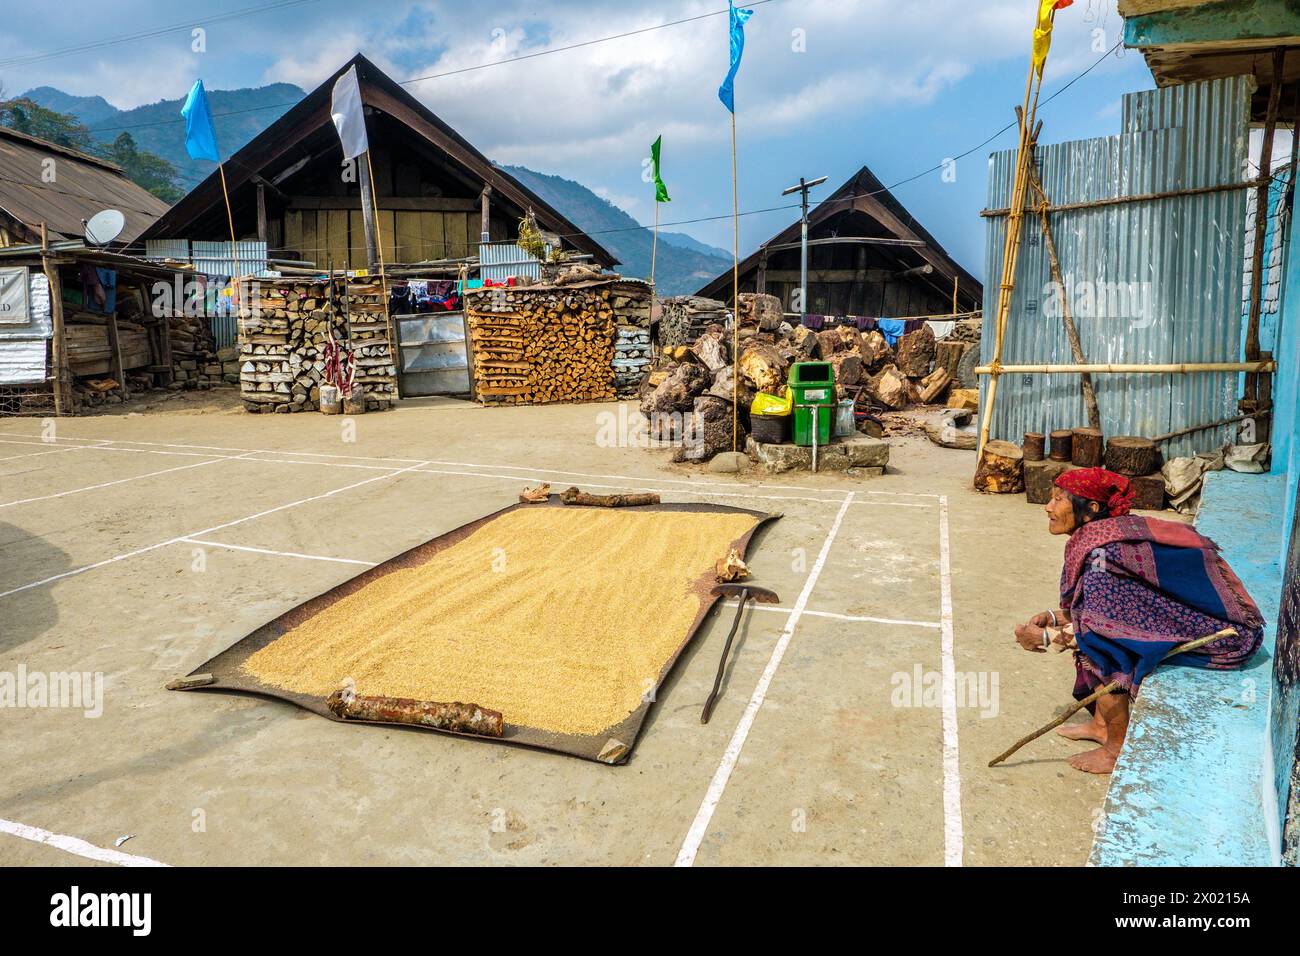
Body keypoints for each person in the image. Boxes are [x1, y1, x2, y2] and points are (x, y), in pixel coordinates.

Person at [1013, 467, 1264, 774]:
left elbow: (1100, 628)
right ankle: (1101, 725)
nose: (1048, 507)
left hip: (1224, 638)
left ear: (1090, 509)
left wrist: (1044, 639)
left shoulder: (1102, 560)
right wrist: (1054, 616)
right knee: (1096, 640)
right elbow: (1101, 608)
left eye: (1057, 500)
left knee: (1102, 654)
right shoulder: (1103, 536)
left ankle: (1115, 749)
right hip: (1176, 619)